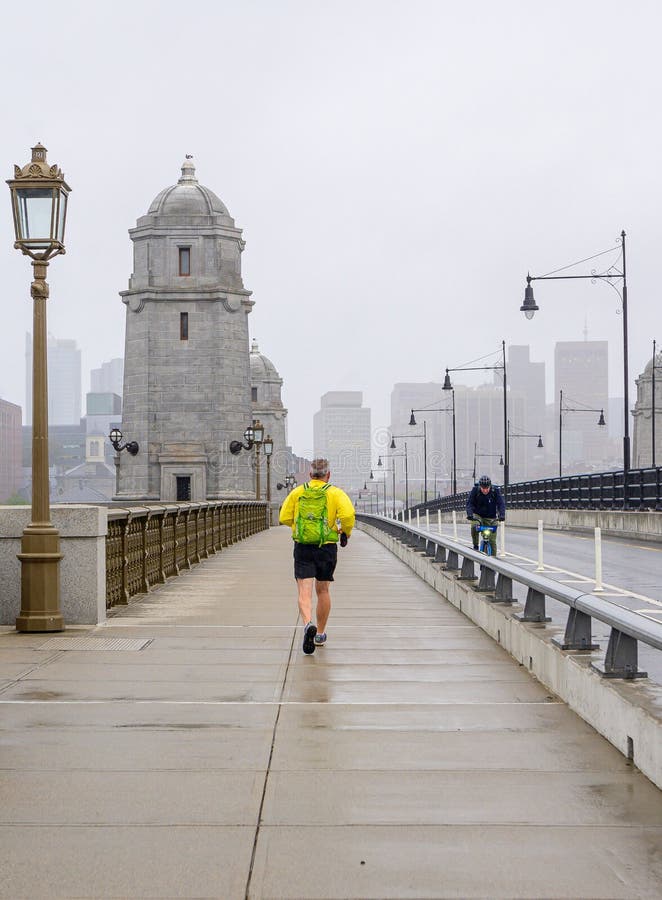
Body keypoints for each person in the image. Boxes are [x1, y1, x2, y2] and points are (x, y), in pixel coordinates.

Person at [279, 458, 355, 654]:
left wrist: (300, 528)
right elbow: (347, 516)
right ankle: (320, 634)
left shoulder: (298, 492)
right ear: (328, 475)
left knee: (304, 590)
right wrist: (345, 532)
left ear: (310, 475)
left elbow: (283, 517)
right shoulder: (335, 493)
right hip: (326, 546)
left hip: (303, 545)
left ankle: (307, 625)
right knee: (323, 590)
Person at [466, 474, 505, 554]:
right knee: (474, 526)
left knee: (492, 541)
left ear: (490, 486)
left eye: (487, 488)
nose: (485, 490)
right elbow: (469, 503)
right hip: (478, 516)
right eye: (483, 488)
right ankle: (475, 545)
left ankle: (493, 561)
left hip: (491, 518)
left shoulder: (495, 491)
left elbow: (501, 504)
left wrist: (502, 515)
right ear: (480, 486)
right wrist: (470, 514)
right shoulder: (475, 490)